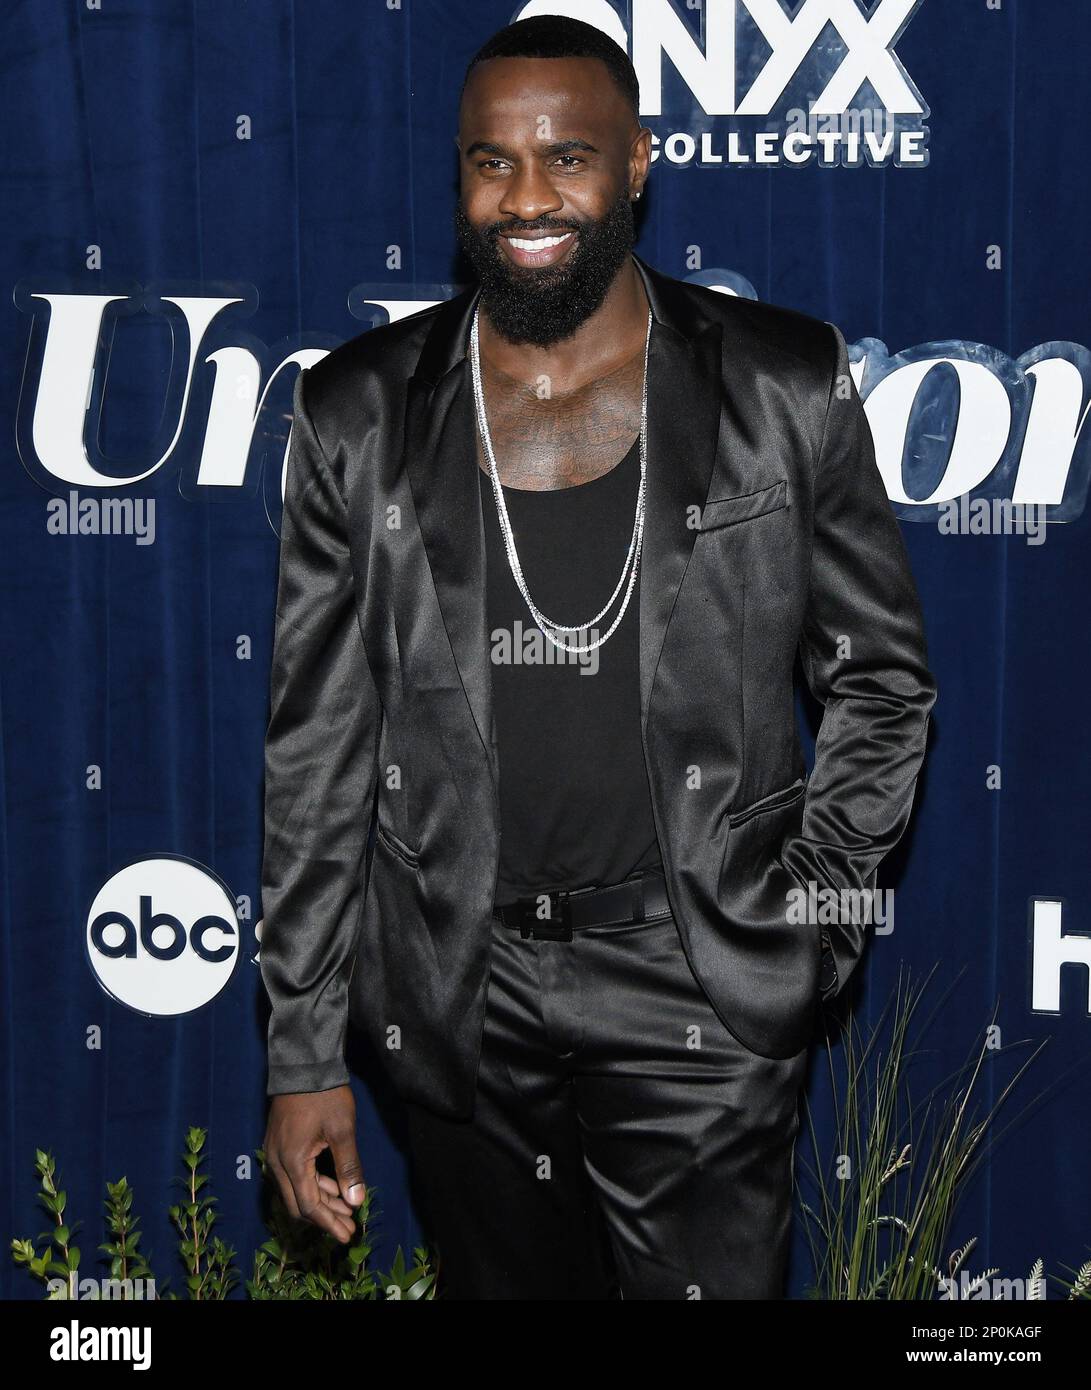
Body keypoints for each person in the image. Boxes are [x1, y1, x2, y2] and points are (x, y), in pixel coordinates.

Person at [260, 14, 937, 1300]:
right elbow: (315, 752)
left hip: (698, 981)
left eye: (567, 158)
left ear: (638, 161)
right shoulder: (356, 411)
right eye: (490, 162)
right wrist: (302, 1054)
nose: (526, 198)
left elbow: (881, 679)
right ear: (456, 176)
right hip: (459, 995)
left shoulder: (782, 384)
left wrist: (810, 921)